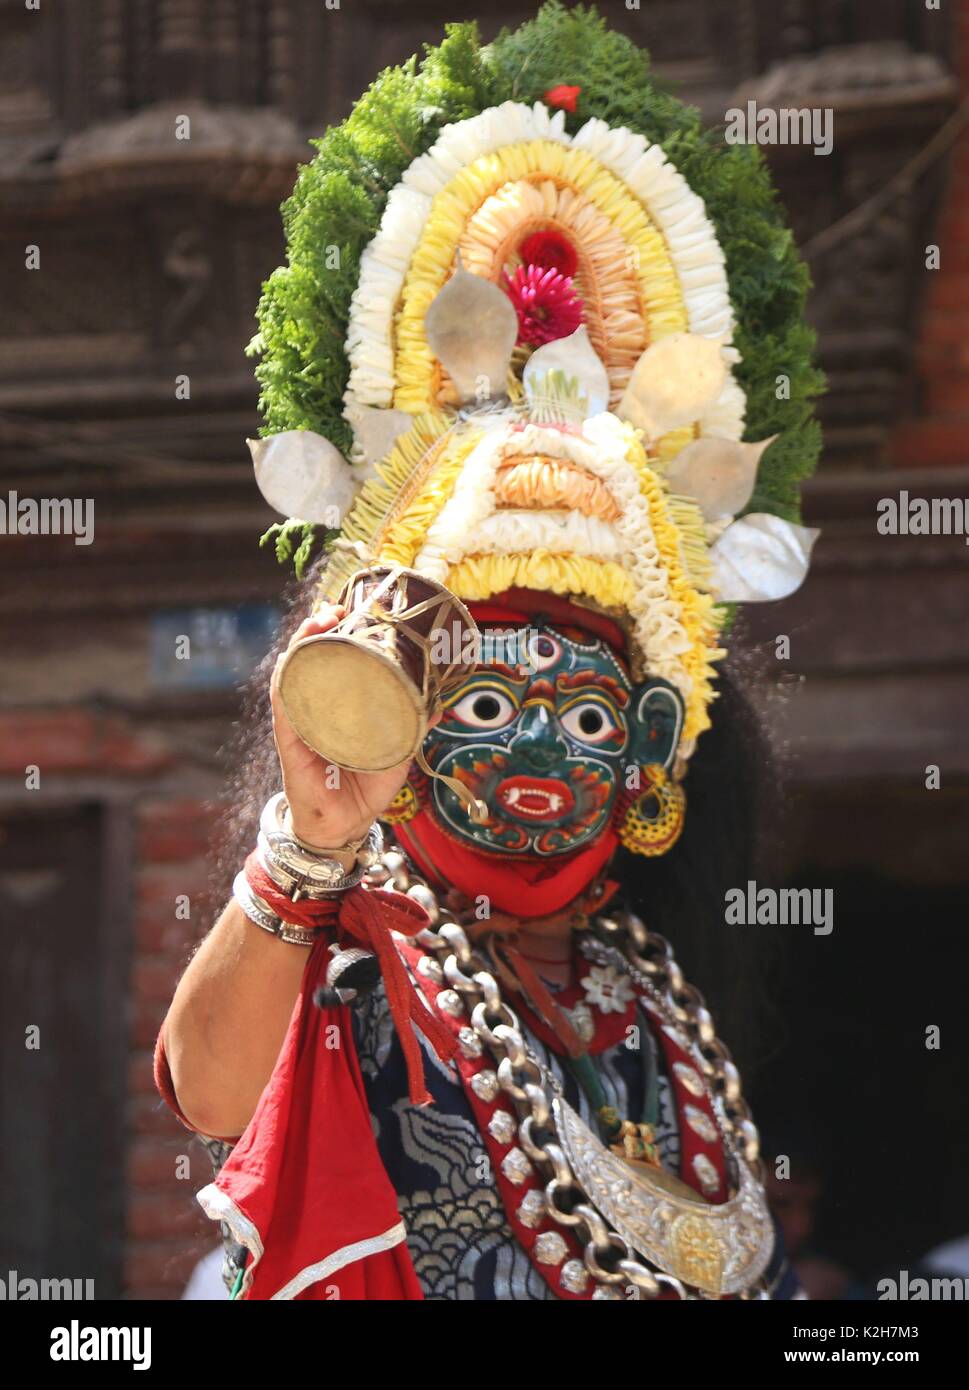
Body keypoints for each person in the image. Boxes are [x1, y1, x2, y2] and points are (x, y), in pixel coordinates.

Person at [157, 4, 824, 1301]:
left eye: (577, 717)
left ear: (643, 749)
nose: (529, 743)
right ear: (400, 720)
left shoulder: (638, 989)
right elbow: (205, 1093)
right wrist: (308, 842)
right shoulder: (359, 939)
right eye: (476, 698)